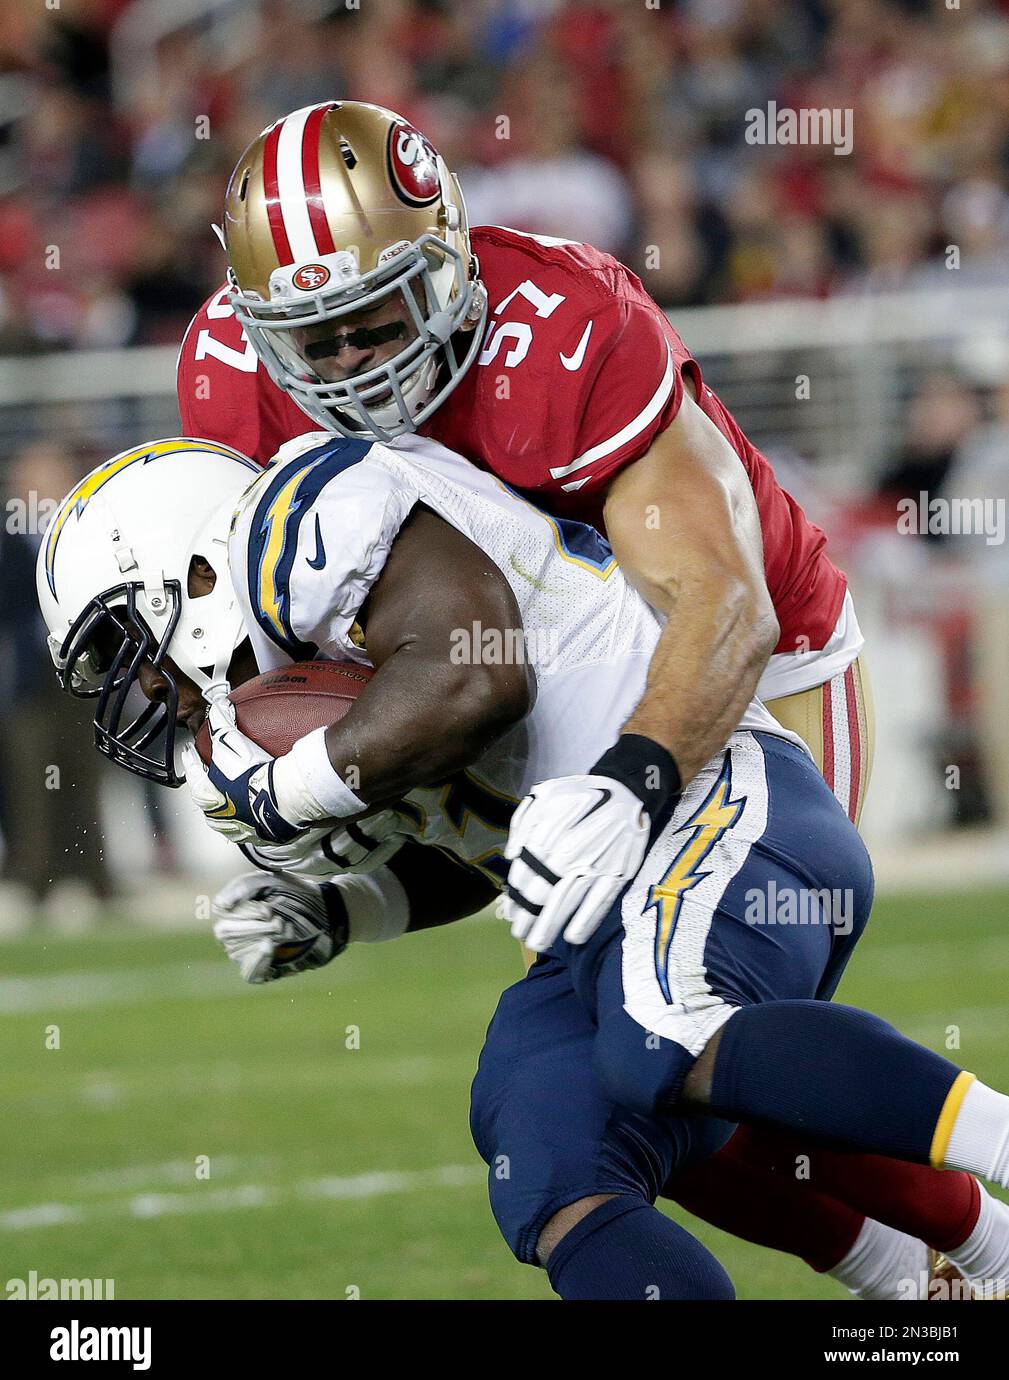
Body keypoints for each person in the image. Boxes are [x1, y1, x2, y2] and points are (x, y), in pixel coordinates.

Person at [176, 100, 977, 1285]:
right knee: (609, 1088)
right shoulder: (234, 383)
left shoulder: (560, 328)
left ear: (445, 258)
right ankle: (917, 1276)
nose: (349, 363)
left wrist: (634, 778)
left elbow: (724, 604)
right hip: (540, 692)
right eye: (316, 338)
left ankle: (964, 1246)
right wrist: (353, 876)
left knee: (687, 1014)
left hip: (749, 666)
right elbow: (432, 694)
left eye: (376, 316)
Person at [38, 434, 1009, 1300]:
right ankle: (911, 1281)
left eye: (128, 644)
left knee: (659, 1028)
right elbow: (472, 840)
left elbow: (477, 680)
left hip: (714, 796)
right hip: (607, 898)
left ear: (192, 570)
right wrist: (349, 910)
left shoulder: (311, 520)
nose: (147, 689)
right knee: (548, 1150)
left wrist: (299, 786)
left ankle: (994, 1215)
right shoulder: (313, 669)